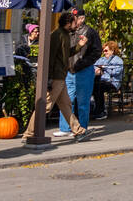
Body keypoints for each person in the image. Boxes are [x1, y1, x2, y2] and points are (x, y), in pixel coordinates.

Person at [22, 12, 88, 142]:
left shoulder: (65, 35)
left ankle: (78, 130)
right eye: (75, 22)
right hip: (56, 77)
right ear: (68, 23)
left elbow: (66, 53)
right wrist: (49, 78)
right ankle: (28, 134)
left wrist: (80, 45)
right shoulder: (57, 35)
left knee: (65, 105)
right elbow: (50, 57)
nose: (77, 24)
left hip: (60, 75)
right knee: (46, 105)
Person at [60, 10, 100, 135]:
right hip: (69, 70)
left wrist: (83, 63)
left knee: (83, 101)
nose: (70, 20)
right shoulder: (68, 31)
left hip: (83, 70)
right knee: (66, 100)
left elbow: (97, 51)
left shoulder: (90, 32)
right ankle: (65, 127)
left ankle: (82, 128)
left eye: (73, 17)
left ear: (81, 18)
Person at [90, 41, 124, 119]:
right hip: (100, 81)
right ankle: (93, 109)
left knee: (98, 86)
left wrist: (104, 69)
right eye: (103, 50)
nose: (104, 52)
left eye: (106, 50)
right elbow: (94, 68)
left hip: (113, 82)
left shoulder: (118, 60)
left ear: (112, 50)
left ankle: (101, 111)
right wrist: (97, 71)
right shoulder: (101, 59)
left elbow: (116, 72)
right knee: (91, 85)